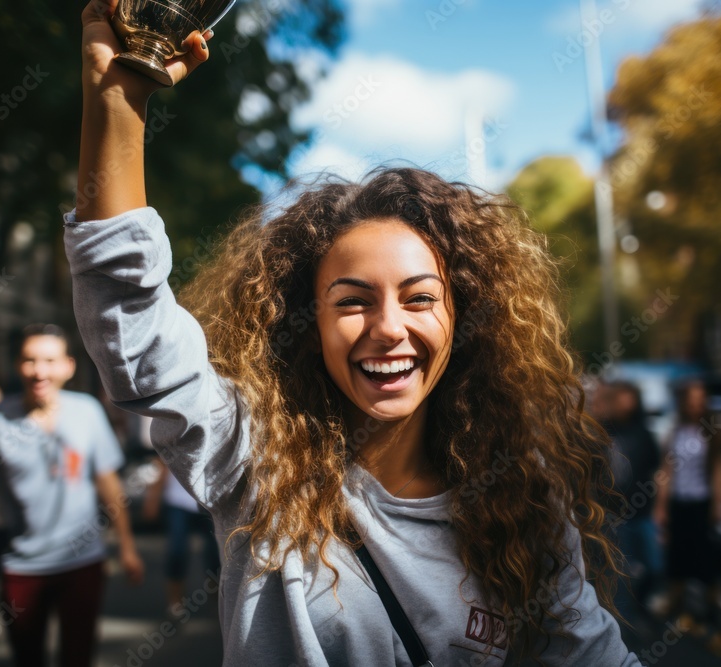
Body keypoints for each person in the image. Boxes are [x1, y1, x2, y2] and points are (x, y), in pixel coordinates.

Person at [63, 2, 641, 664]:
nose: (389, 328)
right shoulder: (255, 460)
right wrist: (118, 101)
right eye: (353, 302)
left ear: (465, 316)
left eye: (420, 297)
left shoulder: (523, 507)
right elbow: (130, 321)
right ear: (306, 322)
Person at [0, 323, 145, 667]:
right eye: (29, 360)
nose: (39, 371)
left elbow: (108, 483)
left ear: (68, 366)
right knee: (27, 658)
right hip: (22, 565)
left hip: (84, 561)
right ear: (17, 365)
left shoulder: (88, 410)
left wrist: (126, 546)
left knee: (78, 658)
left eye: (49, 361)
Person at [653, 379, 721, 638]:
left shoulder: (710, 432)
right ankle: (676, 606)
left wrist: (718, 504)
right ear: (684, 402)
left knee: (706, 559)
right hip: (678, 503)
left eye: (700, 400)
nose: (696, 405)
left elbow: (718, 470)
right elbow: (666, 470)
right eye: (691, 400)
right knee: (677, 557)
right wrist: (660, 506)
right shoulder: (675, 432)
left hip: (701, 503)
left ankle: (712, 610)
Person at [602, 381, 662, 624]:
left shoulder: (643, 433)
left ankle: (642, 602)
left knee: (655, 565)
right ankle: (624, 624)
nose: (627, 403)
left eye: (631, 398)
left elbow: (657, 471)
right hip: (615, 515)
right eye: (622, 398)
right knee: (621, 573)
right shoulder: (604, 431)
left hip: (644, 512)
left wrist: (661, 508)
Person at [143, 452, 221, 616]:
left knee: (216, 553)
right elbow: (162, 459)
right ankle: (175, 601)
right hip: (177, 501)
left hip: (208, 502)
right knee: (177, 551)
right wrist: (153, 496)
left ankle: (219, 599)